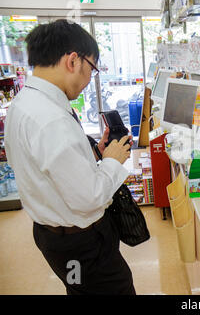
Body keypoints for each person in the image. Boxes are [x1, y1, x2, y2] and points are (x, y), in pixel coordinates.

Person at [5, 19, 135, 294]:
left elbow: (44, 166)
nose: (89, 80)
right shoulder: (51, 119)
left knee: (79, 288)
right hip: (82, 243)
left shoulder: (24, 103)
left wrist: (96, 154)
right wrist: (112, 160)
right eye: (92, 68)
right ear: (73, 60)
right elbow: (89, 198)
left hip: (54, 237)